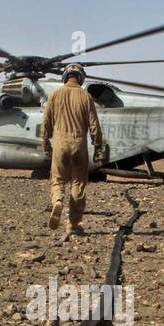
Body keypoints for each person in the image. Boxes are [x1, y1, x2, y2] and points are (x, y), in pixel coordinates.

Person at [40, 63, 104, 236]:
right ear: (80, 78)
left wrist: (45, 143)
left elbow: (45, 123)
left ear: (65, 77)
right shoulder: (86, 96)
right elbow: (94, 126)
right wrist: (98, 147)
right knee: (78, 183)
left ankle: (58, 201)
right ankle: (73, 224)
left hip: (60, 144)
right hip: (79, 145)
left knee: (58, 179)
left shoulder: (54, 95)